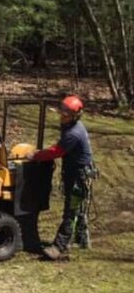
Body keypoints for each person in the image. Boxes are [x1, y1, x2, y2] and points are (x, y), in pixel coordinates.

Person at [27, 95, 95, 260]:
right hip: (74, 173)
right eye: (62, 110)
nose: (62, 115)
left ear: (75, 115)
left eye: (66, 113)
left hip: (79, 177)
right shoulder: (71, 126)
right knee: (77, 208)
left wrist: (35, 156)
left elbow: (56, 152)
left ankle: (59, 247)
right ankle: (81, 239)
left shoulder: (74, 133)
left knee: (70, 212)